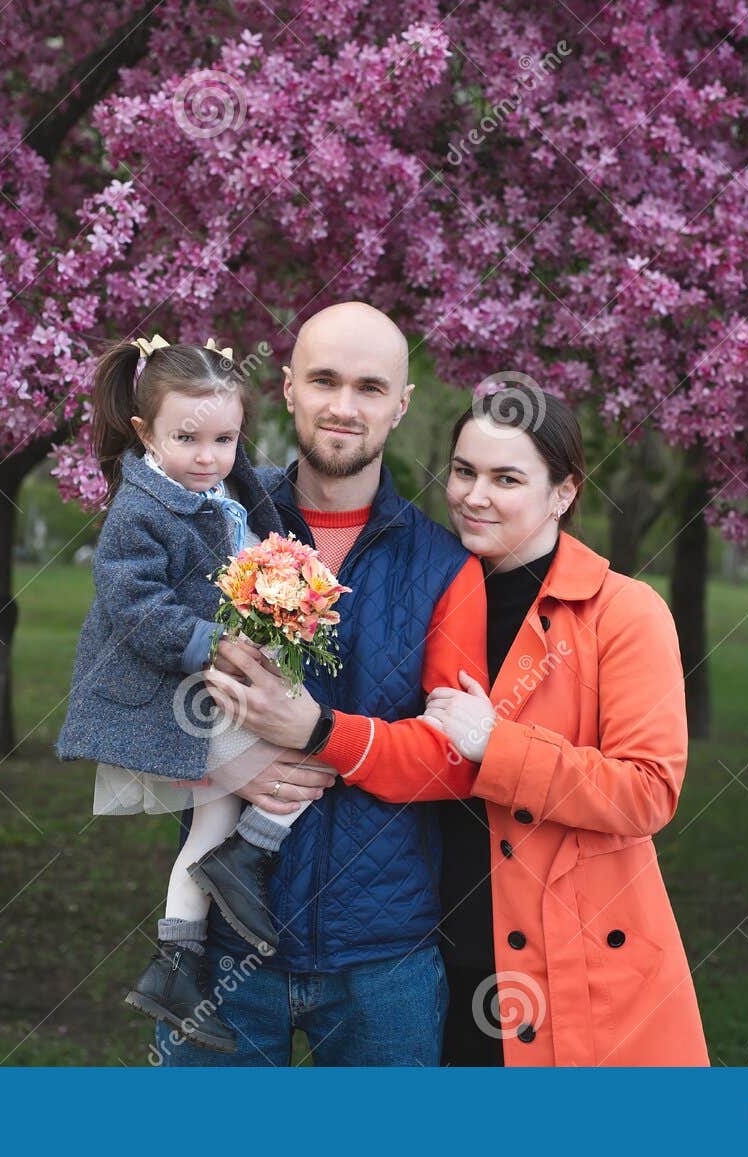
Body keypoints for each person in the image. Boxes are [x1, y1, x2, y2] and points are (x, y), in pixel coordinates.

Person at [154, 301, 490, 1066]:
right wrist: (234, 763)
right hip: (219, 943)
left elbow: (454, 763)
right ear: (288, 388)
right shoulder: (214, 522)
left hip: (383, 955)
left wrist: (318, 734)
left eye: (370, 387)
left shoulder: (445, 568)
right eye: (325, 381)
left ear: (401, 405)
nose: (344, 406)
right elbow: (128, 689)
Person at [343, 381, 711, 1066]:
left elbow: (647, 790)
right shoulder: (418, 596)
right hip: (420, 961)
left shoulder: (623, 615)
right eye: (464, 471)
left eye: (506, 478)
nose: (474, 496)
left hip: (570, 970)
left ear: (564, 492)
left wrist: (496, 744)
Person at [54, 334, 315, 1054]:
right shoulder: (140, 512)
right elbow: (134, 606)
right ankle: (238, 869)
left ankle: (177, 960)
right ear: (146, 434)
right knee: (288, 773)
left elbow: (271, 541)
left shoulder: (232, 487)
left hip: (221, 681)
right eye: (187, 438)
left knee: (220, 817)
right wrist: (211, 641)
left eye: (224, 437)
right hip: (177, 694)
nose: (208, 455)